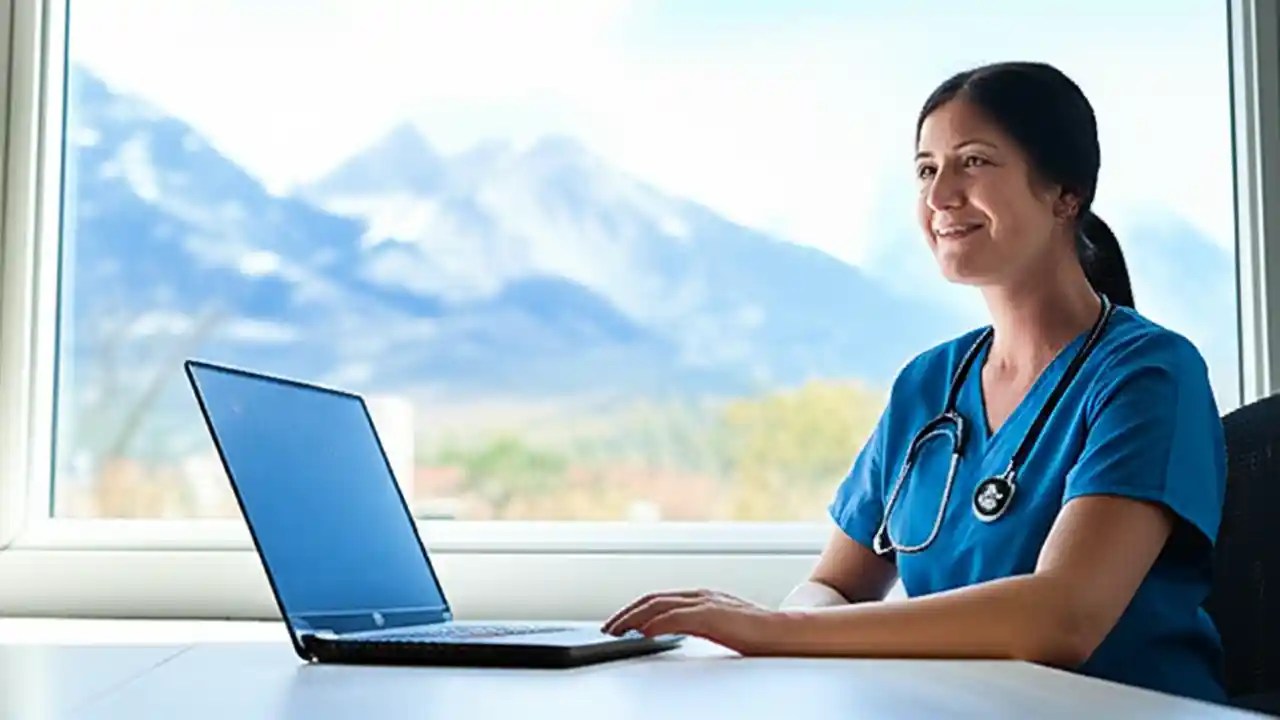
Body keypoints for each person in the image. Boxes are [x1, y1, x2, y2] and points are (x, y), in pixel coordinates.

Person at [603, 61, 1227, 704]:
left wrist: (777, 630)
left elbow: (1061, 619)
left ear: (1065, 193)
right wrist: (793, 621)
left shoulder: (1149, 375)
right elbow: (837, 586)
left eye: (974, 163)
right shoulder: (928, 386)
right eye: (927, 170)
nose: (940, 196)